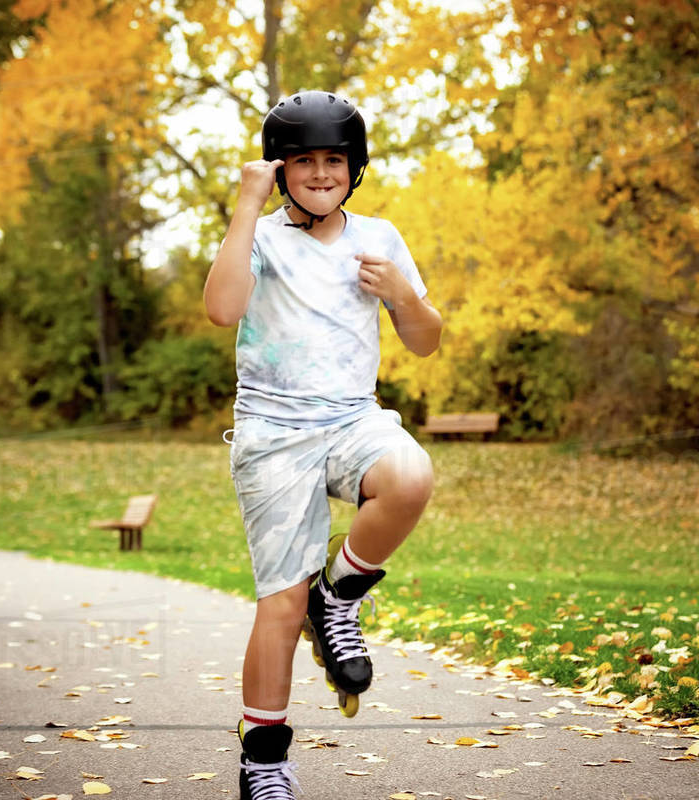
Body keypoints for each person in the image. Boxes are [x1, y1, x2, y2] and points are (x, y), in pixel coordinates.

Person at [203, 89, 443, 800]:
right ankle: (264, 763)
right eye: (300, 160)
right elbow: (221, 309)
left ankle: (337, 597)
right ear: (280, 170)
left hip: (349, 419)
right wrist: (247, 204)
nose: (318, 172)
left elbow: (426, 343)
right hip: (273, 435)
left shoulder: (380, 238)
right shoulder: (263, 237)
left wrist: (404, 293)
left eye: (332, 159)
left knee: (410, 475)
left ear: (354, 166)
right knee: (278, 604)